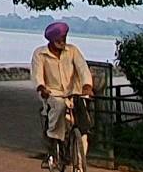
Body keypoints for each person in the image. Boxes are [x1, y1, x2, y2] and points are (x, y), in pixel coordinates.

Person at [32, 21, 96, 161]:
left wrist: (87, 85)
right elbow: (37, 75)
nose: (63, 42)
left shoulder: (72, 51)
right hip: (53, 93)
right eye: (59, 40)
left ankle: (79, 159)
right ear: (52, 40)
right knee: (59, 106)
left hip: (74, 92)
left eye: (64, 39)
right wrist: (42, 88)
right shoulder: (40, 54)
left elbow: (83, 69)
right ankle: (52, 138)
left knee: (82, 118)